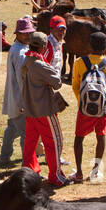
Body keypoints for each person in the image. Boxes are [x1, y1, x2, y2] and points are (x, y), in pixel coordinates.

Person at [19, 31, 68, 187]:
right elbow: (57, 82)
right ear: (43, 47)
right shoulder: (40, 64)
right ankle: (55, 176)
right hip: (44, 110)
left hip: (30, 109)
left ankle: (29, 171)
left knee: (30, 143)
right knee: (54, 142)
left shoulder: (26, 60)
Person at [70, 30, 106, 183]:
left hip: (84, 109)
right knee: (101, 137)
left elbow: (75, 85)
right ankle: (95, 171)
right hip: (103, 110)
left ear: (89, 45)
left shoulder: (79, 62)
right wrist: (102, 101)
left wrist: (82, 101)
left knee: (79, 138)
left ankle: (78, 172)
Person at [0, 18, 35, 162]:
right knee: (26, 134)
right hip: (20, 99)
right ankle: (28, 163)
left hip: (14, 97)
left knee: (12, 128)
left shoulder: (18, 47)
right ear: (18, 34)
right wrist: (26, 100)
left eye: (29, 33)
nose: (27, 36)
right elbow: (22, 80)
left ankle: (4, 156)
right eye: (24, 34)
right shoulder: (20, 52)